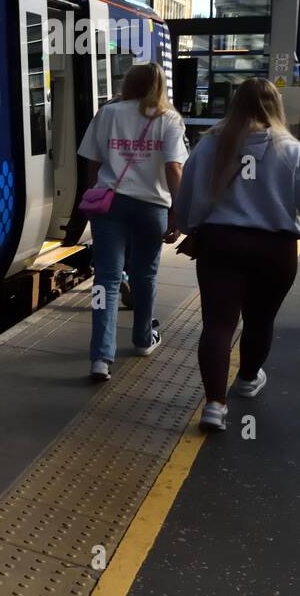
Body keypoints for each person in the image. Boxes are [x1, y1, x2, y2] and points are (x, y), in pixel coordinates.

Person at [170, 78, 300, 431]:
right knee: (260, 320)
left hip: (221, 244)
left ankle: (214, 405)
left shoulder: (210, 144)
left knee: (218, 324)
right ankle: (246, 379)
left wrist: (189, 226)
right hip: (276, 248)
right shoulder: (290, 150)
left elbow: (186, 198)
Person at [77, 62, 187, 382]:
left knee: (107, 280)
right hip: (152, 206)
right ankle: (142, 338)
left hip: (110, 204)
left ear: (129, 83)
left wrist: (94, 193)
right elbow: (174, 170)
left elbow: (92, 161)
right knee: (145, 275)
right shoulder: (169, 119)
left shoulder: (108, 114)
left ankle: (100, 357)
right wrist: (178, 211)